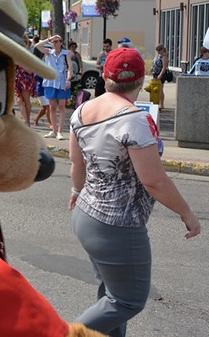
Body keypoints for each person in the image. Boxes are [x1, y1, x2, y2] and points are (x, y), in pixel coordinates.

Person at [68, 48, 200, 336]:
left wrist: (76, 191)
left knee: (111, 294)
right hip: (117, 225)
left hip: (86, 215)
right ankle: (60, 333)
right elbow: (153, 180)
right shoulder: (134, 119)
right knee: (128, 300)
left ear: (105, 76)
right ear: (141, 81)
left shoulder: (81, 112)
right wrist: (187, 213)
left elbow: (76, 165)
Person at [35, 35, 73, 140]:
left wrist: (68, 80)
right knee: (52, 107)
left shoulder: (66, 54)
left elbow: (70, 68)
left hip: (62, 82)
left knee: (61, 106)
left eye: (57, 41)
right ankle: (54, 131)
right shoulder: (48, 52)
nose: (55, 43)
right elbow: (37, 46)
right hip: (50, 82)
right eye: (53, 42)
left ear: (61, 42)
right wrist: (49, 39)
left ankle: (60, 131)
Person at [14, 34, 37, 126]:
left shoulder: (28, 55)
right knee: (19, 101)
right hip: (19, 79)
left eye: (24, 43)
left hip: (26, 79)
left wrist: (20, 62)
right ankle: (26, 120)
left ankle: (27, 121)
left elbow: (30, 70)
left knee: (26, 100)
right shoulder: (19, 54)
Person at [150, 43, 169, 110]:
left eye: (159, 50)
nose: (158, 52)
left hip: (160, 75)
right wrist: (152, 67)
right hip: (155, 73)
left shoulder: (164, 57)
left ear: (162, 50)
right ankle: (156, 102)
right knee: (155, 89)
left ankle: (162, 104)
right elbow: (153, 62)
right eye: (157, 50)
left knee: (160, 89)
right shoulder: (158, 55)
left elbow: (164, 67)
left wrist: (160, 75)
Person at [67, 40, 84, 104]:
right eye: (72, 47)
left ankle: (74, 101)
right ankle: (68, 101)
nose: (73, 48)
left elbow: (80, 63)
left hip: (76, 72)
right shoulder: (67, 53)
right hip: (69, 73)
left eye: (75, 47)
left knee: (75, 88)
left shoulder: (77, 54)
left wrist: (81, 71)